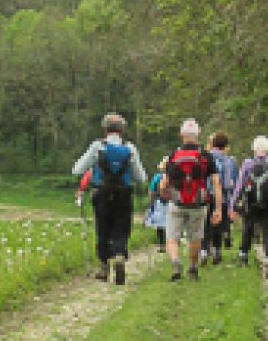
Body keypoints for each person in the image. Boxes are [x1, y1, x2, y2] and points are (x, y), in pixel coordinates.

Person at [72, 112, 146, 285]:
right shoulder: (130, 148)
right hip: (124, 194)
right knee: (122, 227)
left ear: (105, 129)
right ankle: (119, 254)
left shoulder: (98, 146)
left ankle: (104, 267)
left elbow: (77, 170)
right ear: (122, 130)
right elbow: (141, 177)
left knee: (102, 228)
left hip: (102, 193)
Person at [160, 119, 223, 281]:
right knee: (195, 237)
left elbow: (164, 182)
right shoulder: (206, 155)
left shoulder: (173, 155)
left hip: (177, 202)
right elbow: (216, 182)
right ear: (198, 135)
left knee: (172, 237)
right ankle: (193, 267)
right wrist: (218, 208)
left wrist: (164, 194)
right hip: (198, 203)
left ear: (181, 135)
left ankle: (175, 262)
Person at [230, 135, 268, 281]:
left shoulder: (248, 164)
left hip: (251, 204)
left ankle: (243, 256)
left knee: (248, 228)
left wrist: (233, 204)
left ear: (254, 149)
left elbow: (239, 186)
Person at [201, 131, 238, 265]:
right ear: (226, 145)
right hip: (221, 196)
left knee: (205, 223)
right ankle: (217, 251)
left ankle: (203, 251)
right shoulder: (228, 160)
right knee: (217, 224)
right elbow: (227, 183)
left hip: (205, 195)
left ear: (213, 143)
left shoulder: (204, 157)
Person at [145, 157, 170, 251]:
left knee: (160, 225)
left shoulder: (157, 177)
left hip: (159, 202)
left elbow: (151, 192)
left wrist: (150, 204)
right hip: (172, 202)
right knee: (170, 223)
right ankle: (171, 243)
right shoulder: (174, 177)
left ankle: (162, 244)